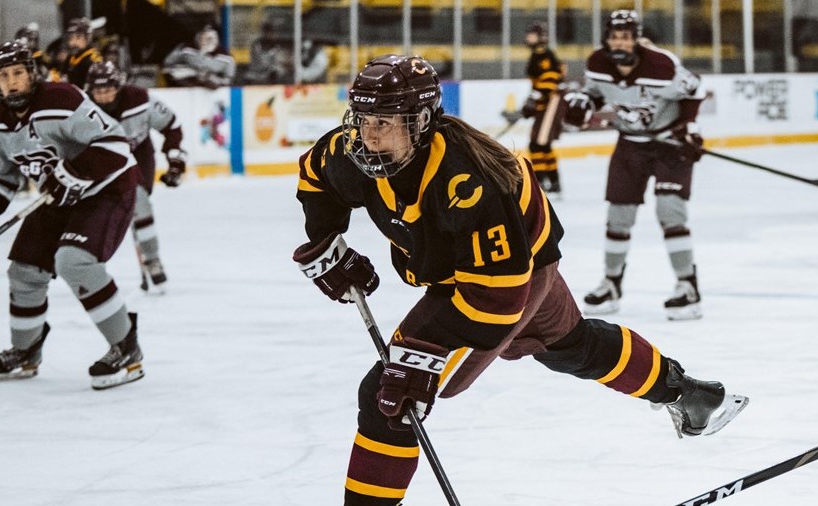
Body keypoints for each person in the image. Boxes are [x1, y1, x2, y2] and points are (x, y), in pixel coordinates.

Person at [292, 54, 746, 505]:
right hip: (480, 271)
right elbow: (314, 175)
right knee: (571, 346)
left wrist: (417, 356)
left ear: (422, 122)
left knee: (390, 398)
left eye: (386, 122)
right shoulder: (351, 152)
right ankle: (688, 393)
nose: (368, 136)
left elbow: (497, 303)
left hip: (509, 278)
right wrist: (327, 241)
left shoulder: (466, 184)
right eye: (364, 119)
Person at [0, 42, 144, 390]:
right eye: (3, 76)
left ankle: (126, 347)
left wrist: (76, 171)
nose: (12, 82)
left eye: (18, 73)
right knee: (23, 270)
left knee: (75, 262)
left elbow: (115, 143)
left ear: (31, 73)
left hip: (107, 188)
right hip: (59, 197)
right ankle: (25, 351)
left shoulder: (62, 99)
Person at [564, 10, 706, 320]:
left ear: (636, 39)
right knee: (618, 217)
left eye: (626, 37)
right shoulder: (598, 63)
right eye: (615, 36)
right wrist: (582, 104)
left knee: (670, 212)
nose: (620, 42)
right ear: (606, 38)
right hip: (630, 144)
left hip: (669, 144)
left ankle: (688, 286)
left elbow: (695, 89)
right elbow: (595, 93)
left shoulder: (661, 66)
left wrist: (689, 129)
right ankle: (612, 284)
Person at [86, 61, 186, 293]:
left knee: (140, 205)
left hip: (138, 158)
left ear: (119, 86)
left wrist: (175, 162)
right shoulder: (82, 108)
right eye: (98, 91)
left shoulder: (139, 99)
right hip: (102, 164)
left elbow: (172, 124)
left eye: (108, 89)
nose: (103, 96)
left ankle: (152, 259)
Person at [502, 22, 565, 197]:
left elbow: (550, 80)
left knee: (538, 144)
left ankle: (542, 182)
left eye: (532, 34)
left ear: (541, 37)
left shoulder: (543, 55)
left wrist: (534, 100)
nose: (528, 37)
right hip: (547, 104)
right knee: (542, 145)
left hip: (552, 104)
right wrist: (530, 106)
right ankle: (553, 182)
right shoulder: (539, 55)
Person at [162, 25, 234, 89]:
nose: (209, 41)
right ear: (198, 36)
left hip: (212, 92)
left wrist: (211, 79)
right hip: (182, 88)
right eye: (205, 37)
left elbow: (228, 80)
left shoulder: (226, 58)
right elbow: (167, 65)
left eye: (212, 38)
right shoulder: (186, 49)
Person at [61, 17, 102, 88]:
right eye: (70, 38)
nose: (72, 42)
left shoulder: (93, 59)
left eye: (78, 37)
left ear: (87, 38)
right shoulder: (71, 57)